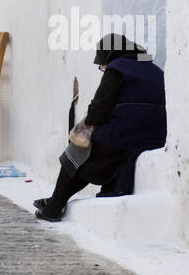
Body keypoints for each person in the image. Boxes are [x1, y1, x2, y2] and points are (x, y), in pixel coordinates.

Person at [34, 33, 167, 221]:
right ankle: (56, 200)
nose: (103, 68)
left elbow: (98, 111)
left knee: (77, 151)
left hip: (122, 136)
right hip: (154, 136)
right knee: (92, 155)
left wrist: (83, 127)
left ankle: (54, 206)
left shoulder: (117, 68)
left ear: (111, 55)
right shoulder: (155, 69)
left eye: (102, 64)